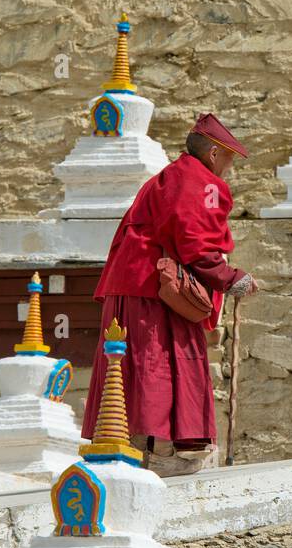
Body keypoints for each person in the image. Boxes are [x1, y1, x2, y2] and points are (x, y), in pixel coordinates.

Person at [84, 112, 258, 473]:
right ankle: (164, 454)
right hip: (155, 289)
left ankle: (132, 449)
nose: (229, 168)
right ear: (213, 154)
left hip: (130, 283)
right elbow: (194, 241)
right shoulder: (203, 182)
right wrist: (230, 277)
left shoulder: (165, 177)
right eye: (228, 158)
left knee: (130, 364)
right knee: (160, 362)